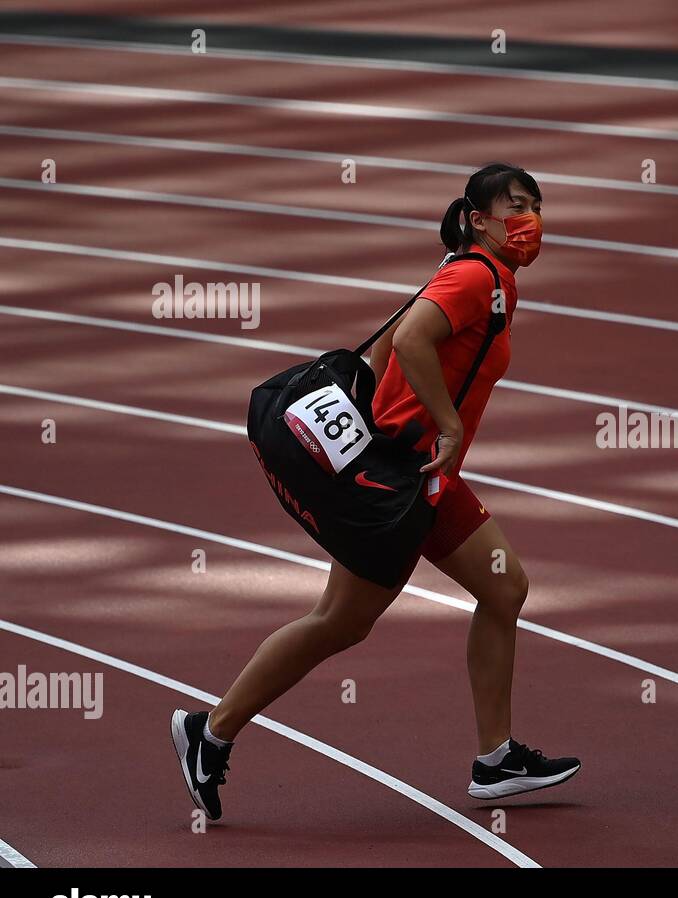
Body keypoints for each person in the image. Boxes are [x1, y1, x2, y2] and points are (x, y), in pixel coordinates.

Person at [171, 163, 580, 820]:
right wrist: (436, 425)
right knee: (341, 621)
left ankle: (495, 758)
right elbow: (413, 337)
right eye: (513, 205)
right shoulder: (474, 275)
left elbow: (391, 343)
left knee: (503, 587)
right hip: (403, 479)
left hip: (427, 477)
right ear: (477, 218)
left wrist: (392, 411)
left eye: (535, 205)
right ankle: (209, 732)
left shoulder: (488, 279)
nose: (526, 218)